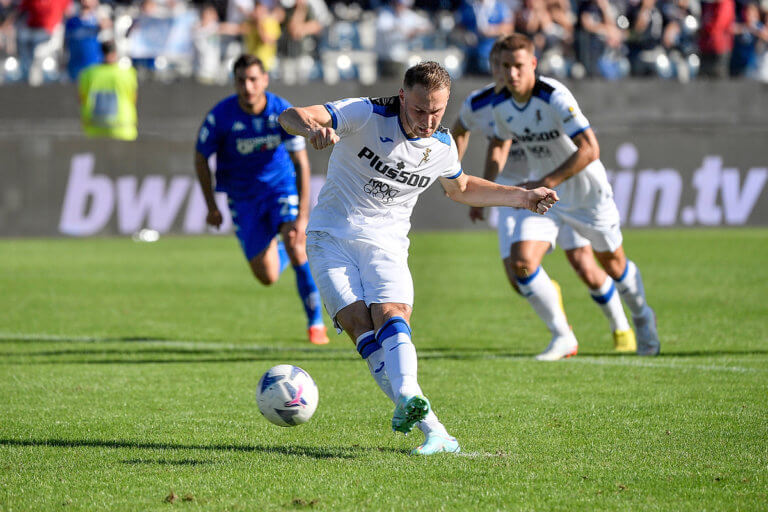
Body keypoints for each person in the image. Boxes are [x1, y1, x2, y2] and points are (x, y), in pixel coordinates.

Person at [278, 61, 558, 454]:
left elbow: (460, 188)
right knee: (361, 327)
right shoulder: (365, 113)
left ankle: (413, 402)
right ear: (402, 96)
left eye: (437, 112)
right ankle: (436, 432)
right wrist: (313, 128)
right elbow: (290, 115)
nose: (427, 121)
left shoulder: (441, 146)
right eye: (419, 110)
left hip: (386, 243)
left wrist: (523, 197)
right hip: (330, 237)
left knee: (391, 314)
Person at [452, 42, 636, 360]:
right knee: (518, 273)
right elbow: (462, 131)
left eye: (511, 65)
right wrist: (466, 184)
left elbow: (584, 144)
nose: (505, 73)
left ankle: (620, 327)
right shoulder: (480, 102)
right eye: (498, 66)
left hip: (556, 187)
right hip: (514, 191)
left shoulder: (542, 95)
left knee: (583, 263)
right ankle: (563, 332)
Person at [488, 33, 661, 360]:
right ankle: (563, 336)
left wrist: (547, 179)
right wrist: (489, 186)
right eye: (506, 66)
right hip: (547, 199)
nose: (512, 73)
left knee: (612, 264)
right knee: (521, 262)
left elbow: (591, 148)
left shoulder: (553, 96)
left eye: (519, 66)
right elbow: (499, 141)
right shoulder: (501, 104)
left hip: (585, 195)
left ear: (533, 64)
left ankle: (641, 317)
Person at [194, 54, 329, 345]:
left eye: (254, 79)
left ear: (265, 80)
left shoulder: (282, 111)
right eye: (242, 80)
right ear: (235, 82)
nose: (248, 86)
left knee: (296, 242)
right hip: (242, 198)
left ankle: (316, 323)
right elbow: (201, 156)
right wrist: (210, 206)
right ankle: (283, 247)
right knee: (267, 276)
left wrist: (303, 215)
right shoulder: (221, 116)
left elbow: (301, 163)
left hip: (280, 190)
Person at [78, 40, 138, 141]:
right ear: (115, 53)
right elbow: (133, 98)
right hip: (123, 129)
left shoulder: (87, 74)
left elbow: (82, 99)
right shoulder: (127, 74)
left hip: (94, 129)